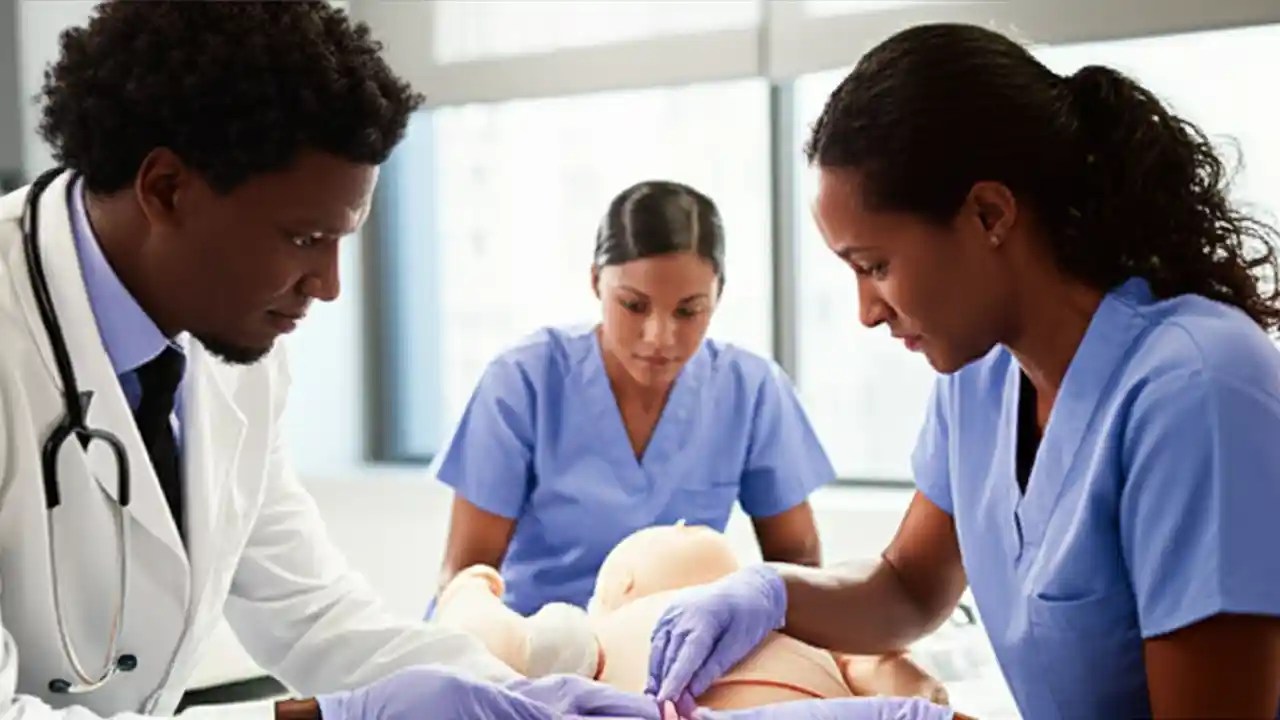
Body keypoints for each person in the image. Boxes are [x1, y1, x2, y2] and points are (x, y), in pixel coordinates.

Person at [0, 3, 663, 719]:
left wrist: (517, 699)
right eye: (305, 237)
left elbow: (311, 611)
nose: (329, 285)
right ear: (166, 189)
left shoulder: (233, 341)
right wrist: (315, 718)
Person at [645, 21, 1280, 720]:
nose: (866, 312)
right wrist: (769, 595)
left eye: (876, 266)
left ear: (988, 213)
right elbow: (908, 590)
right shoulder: (978, 381)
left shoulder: (1198, 387)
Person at [429, 180, 835, 619]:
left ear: (718, 295)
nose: (659, 337)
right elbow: (466, 581)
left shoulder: (750, 389)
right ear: (595, 282)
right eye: (633, 306)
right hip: (530, 652)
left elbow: (798, 565)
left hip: (675, 655)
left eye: (688, 310)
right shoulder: (522, 382)